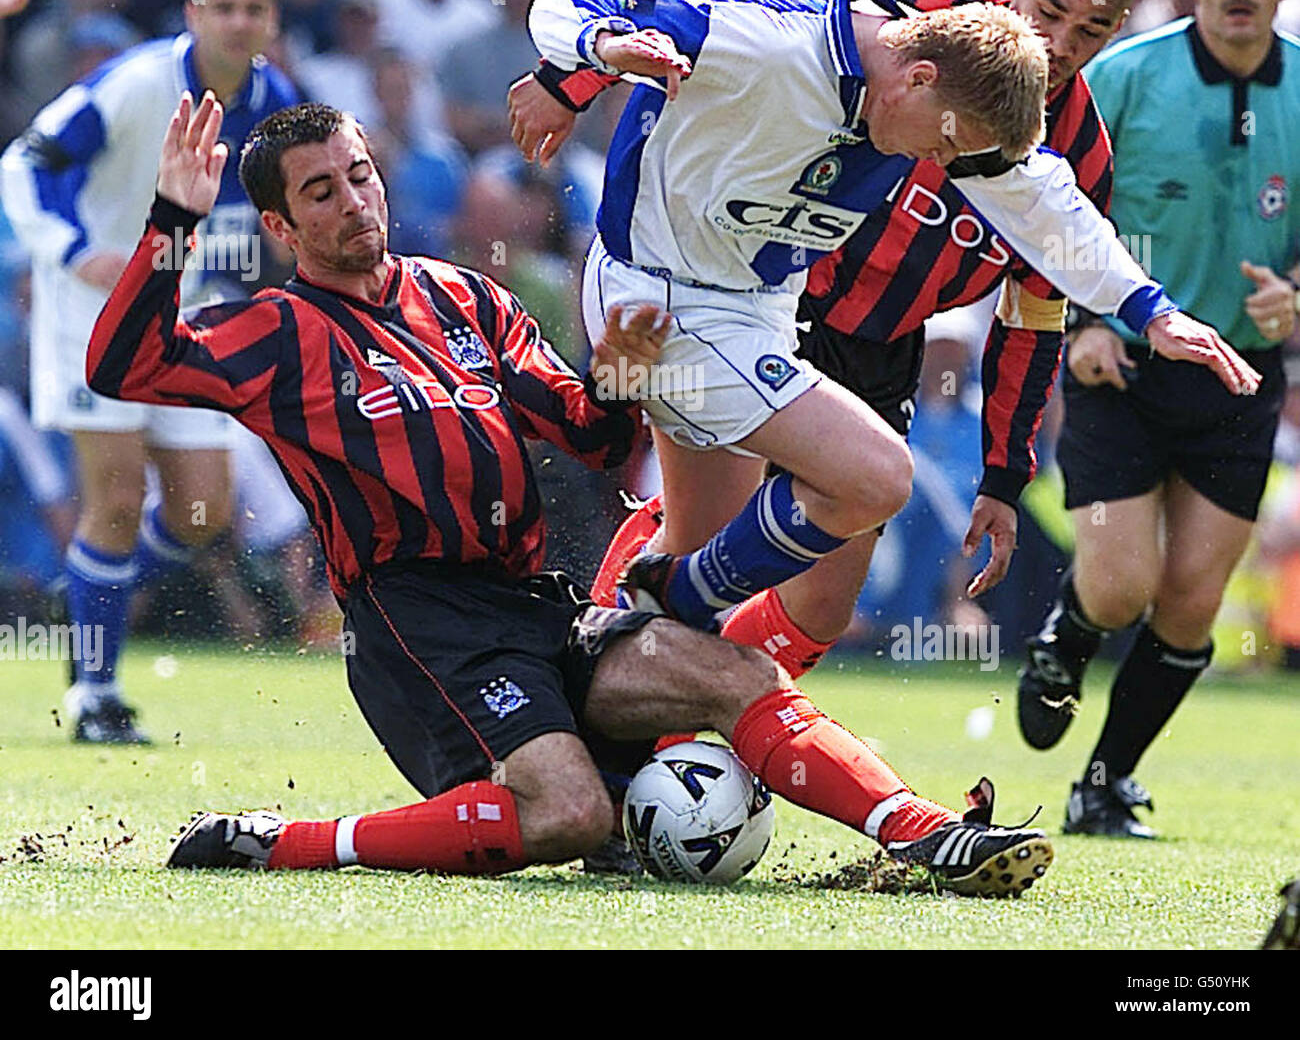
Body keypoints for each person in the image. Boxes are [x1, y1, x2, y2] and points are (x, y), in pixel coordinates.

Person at [94, 93, 1052, 895]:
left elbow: (593, 433)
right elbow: (123, 363)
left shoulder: (466, 298)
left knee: (739, 676)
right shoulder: (275, 331)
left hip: (537, 603)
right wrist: (172, 219)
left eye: (360, 174)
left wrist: (626, 360)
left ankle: (925, 834)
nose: (354, 201)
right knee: (570, 812)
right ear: (277, 225)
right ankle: (287, 841)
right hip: (422, 626)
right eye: (320, 191)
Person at [511, 0, 1258, 644]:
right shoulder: (770, 43)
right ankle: (668, 594)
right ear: (918, 77)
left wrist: (1152, 313)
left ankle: (613, 684)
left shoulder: (952, 102)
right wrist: (588, 63)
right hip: (666, 298)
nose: (935, 164)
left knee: (699, 594)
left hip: (758, 307)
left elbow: (1050, 211)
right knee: (876, 477)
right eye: (941, 144)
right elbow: (571, 3)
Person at [1015, 0, 1300, 838]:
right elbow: (1051, 210)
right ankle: (1070, 633)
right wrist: (1084, 320)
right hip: (1120, 366)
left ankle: (1105, 782)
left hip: (1243, 375)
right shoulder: (1124, 75)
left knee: (1189, 607)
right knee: (1121, 584)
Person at [0, 0, 299, 743]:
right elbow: (24, 162)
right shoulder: (135, 84)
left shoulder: (277, 101)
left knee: (204, 510)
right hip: (91, 304)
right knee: (119, 498)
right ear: (193, 13)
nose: (238, 23)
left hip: (184, 310)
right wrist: (71, 253)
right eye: (222, 7)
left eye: (254, 10)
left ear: (271, 21)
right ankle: (95, 695)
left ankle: (91, 585)